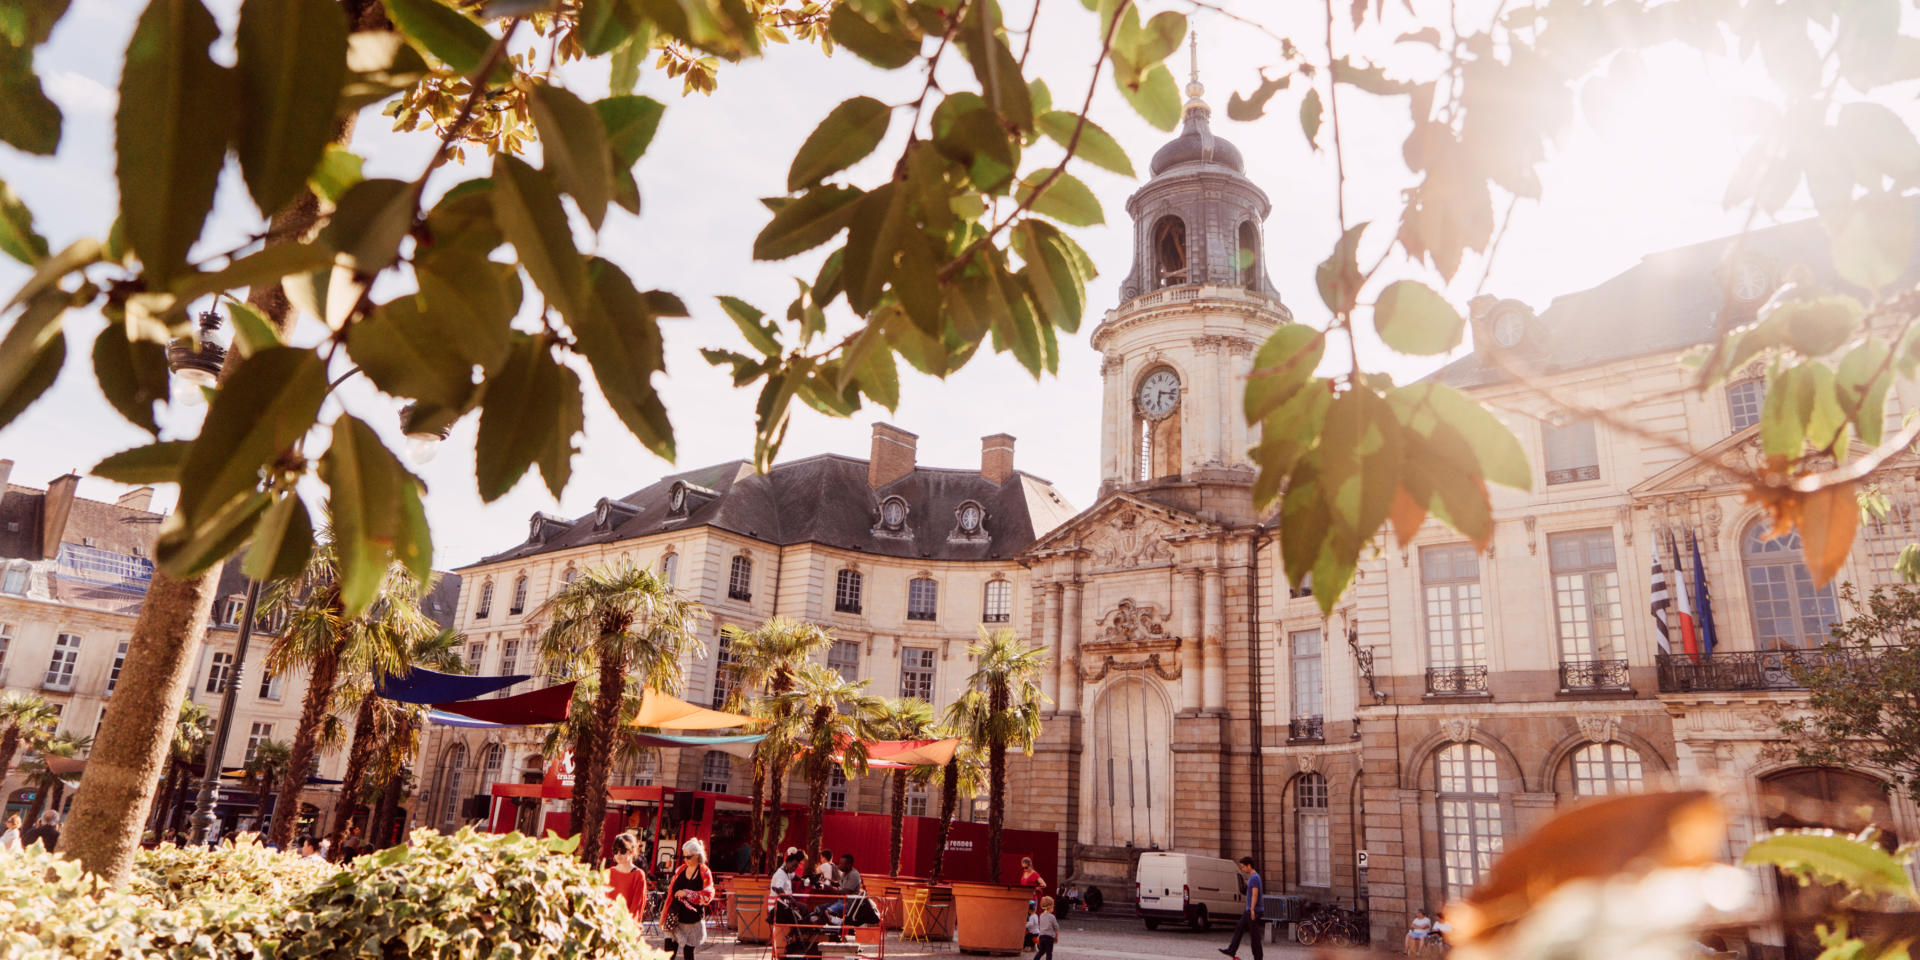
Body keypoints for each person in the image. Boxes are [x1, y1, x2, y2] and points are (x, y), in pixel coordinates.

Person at [659, 838, 715, 960]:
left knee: (688, 953)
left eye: (688, 857)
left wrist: (687, 893)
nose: (685, 860)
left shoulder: (704, 872)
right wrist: (664, 913)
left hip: (691, 921)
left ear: (697, 856)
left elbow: (708, 895)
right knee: (668, 951)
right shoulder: (680, 870)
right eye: (684, 857)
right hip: (674, 917)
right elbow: (670, 893)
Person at [1217, 856, 1263, 960]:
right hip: (1249, 910)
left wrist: (1252, 909)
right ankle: (1232, 950)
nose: (1242, 869)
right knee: (1239, 928)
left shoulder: (1255, 878)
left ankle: (1258, 957)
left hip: (1253, 911)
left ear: (1249, 866)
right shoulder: (1253, 877)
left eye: (1243, 867)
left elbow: (1255, 894)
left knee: (1254, 936)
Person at [607, 831, 650, 927]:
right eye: (615, 851)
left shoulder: (638, 875)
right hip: (608, 925)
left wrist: (627, 927)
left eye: (622, 851)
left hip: (627, 927)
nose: (618, 854)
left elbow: (637, 906)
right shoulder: (609, 872)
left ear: (632, 851)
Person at [770, 849, 807, 924]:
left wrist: (803, 880)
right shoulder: (780, 874)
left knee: (803, 908)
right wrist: (791, 899)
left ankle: (795, 932)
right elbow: (778, 889)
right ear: (787, 862)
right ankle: (797, 932)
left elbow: (794, 876)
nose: (794, 869)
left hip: (785, 904)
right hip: (777, 907)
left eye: (796, 867)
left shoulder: (787, 871)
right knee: (803, 908)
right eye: (793, 866)